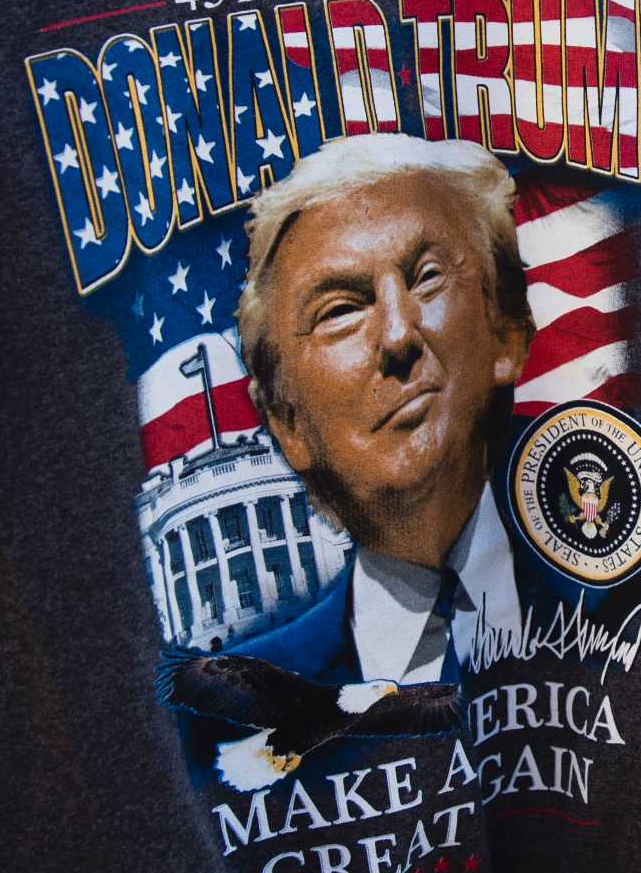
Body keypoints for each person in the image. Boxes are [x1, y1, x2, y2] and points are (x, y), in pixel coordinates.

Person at [220, 134, 537, 689]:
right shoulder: (233, 710)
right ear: (287, 424)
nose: (397, 334)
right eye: (341, 310)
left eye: (427, 276)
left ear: (506, 334)